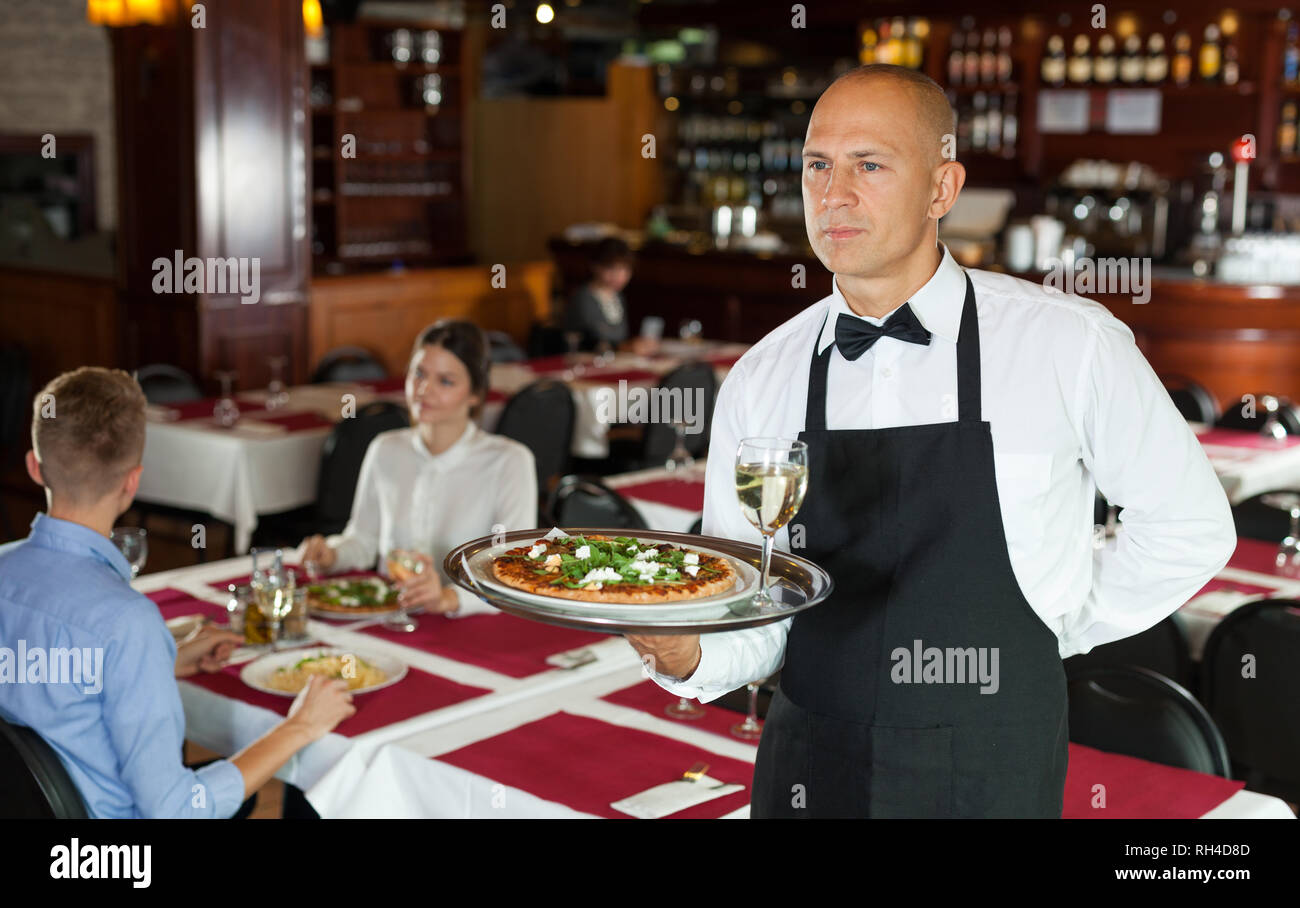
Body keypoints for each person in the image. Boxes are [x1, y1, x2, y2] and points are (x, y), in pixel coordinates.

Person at [625, 65, 1236, 818]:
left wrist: (1047, 625)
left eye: (870, 165)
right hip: (809, 765)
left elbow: (1190, 528)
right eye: (818, 164)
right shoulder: (761, 376)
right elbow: (756, 604)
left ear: (943, 189)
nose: (834, 193)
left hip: (992, 764)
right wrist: (690, 655)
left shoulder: (1068, 342)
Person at [0, 367, 355, 818]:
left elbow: (47, 684)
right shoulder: (126, 622)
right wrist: (299, 726)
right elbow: (176, 811)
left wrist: (160, 660)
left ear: (34, 465)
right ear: (133, 482)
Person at [299, 320, 537, 615]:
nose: (424, 390)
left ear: (475, 394)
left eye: (445, 381)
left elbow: (516, 574)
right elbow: (363, 540)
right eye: (419, 374)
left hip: (468, 626)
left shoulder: (510, 461)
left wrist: (448, 599)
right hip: (391, 618)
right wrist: (332, 555)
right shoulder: (385, 448)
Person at [563, 236, 658, 356]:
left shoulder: (618, 298)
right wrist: (626, 347)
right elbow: (592, 341)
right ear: (595, 266)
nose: (619, 276)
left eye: (624, 269)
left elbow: (619, 340)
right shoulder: (584, 298)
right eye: (611, 268)